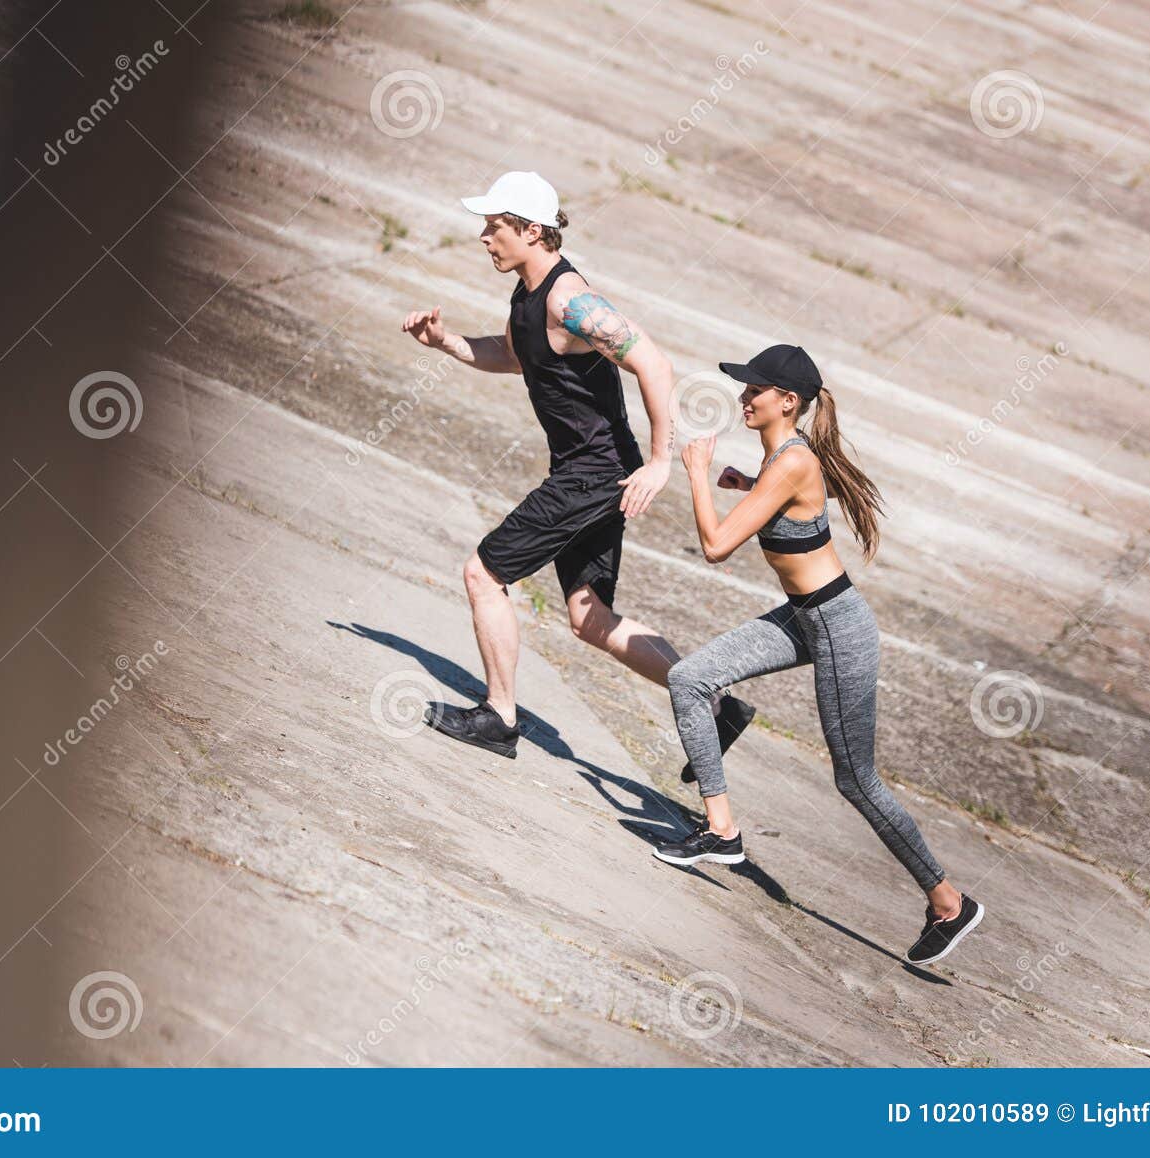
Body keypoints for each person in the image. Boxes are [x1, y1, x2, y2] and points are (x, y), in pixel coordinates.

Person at [400, 171, 753, 762]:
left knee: (483, 574)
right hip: (590, 469)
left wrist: (660, 461)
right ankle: (717, 706)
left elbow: (655, 364)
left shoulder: (569, 301)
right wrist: (446, 342)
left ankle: (499, 717)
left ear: (531, 231)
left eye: (494, 226)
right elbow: (514, 355)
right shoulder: (527, 293)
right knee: (591, 619)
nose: (484, 237)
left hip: (593, 472)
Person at [656, 344, 983, 966]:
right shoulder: (785, 456)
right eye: (744, 386)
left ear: (788, 402)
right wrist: (747, 485)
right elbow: (801, 504)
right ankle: (722, 831)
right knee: (690, 678)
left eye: (755, 389)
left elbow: (717, 546)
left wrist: (697, 472)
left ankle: (949, 903)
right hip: (805, 617)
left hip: (836, 627)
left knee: (856, 779)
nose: (743, 397)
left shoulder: (791, 460)